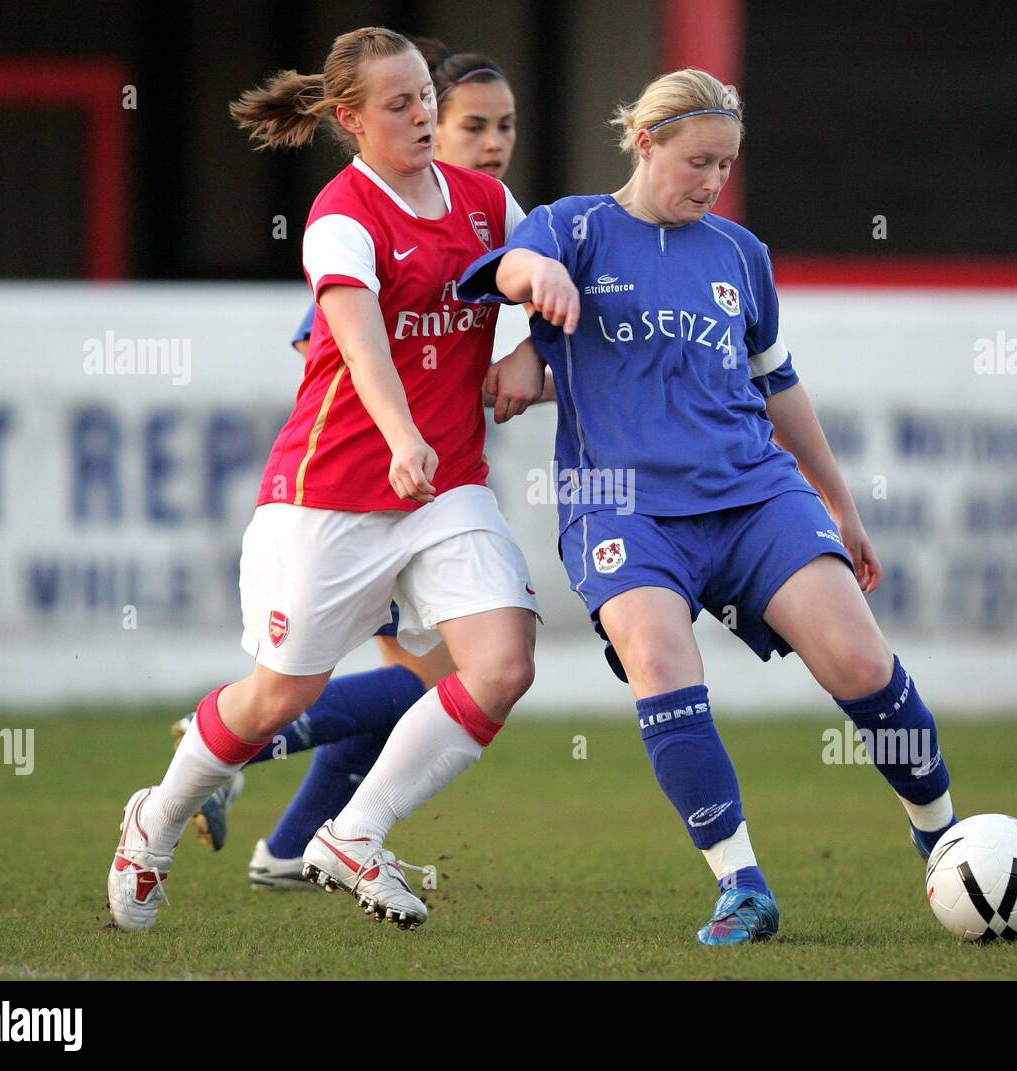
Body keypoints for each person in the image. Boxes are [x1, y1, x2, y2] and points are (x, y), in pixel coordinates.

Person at [459, 68, 959, 946]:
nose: (711, 181)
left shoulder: (739, 255)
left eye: (725, 165)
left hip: (753, 492)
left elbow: (779, 386)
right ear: (645, 143)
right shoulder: (573, 227)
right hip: (622, 507)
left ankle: (943, 836)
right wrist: (540, 283)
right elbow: (513, 266)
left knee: (857, 661)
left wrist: (838, 503)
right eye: (697, 161)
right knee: (657, 658)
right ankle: (742, 884)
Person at [107, 26, 539, 933]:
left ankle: (354, 834)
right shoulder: (343, 213)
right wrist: (398, 433)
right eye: (400, 104)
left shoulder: (487, 202)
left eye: (427, 95)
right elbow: (356, 336)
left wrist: (531, 351)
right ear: (349, 118)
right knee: (279, 696)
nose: (424, 115)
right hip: (331, 491)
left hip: (446, 485)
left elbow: (532, 286)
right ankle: (157, 816)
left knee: (500, 666)